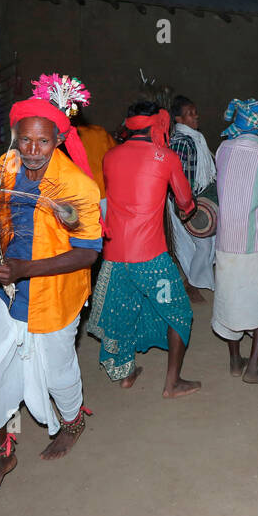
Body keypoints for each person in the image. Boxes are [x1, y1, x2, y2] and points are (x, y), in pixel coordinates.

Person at [0, 74, 104, 497]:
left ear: (57, 138)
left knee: (59, 373)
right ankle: (1, 451)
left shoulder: (76, 186)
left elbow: (89, 252)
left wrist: (25, 269)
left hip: (54, 295)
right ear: (15, 139)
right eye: (25, 141)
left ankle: (73, 422)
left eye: (43, 141)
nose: (33, 151)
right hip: (10, 291)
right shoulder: (8, 166)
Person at [87, 101, 200, 399]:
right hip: (151, 259)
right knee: (179, 312)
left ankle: (125, 375)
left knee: (124, 312)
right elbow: (185, 201)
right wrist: (189, 210)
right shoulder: (166, 157)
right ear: (157, 125)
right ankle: (172, 383)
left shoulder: (110, 156)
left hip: (112, 256)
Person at [212, 98, 258, 383]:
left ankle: (234, 360)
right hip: (254, 242)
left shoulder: (223, 148)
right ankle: (253, 367)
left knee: (229, 297)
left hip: (225, 239)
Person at [165, 95, 217, 300]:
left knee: (207, 240)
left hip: (196, 198)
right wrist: (184, 204)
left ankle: (198, 278)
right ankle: (193, 282)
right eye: (190, 113)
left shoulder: (196, 138)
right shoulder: (181, 142)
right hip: (183, 201)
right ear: (178, 119)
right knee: (199, 244)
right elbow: (177, 177)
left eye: (195, 112)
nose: (196, 116)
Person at [72, 110, 118, 198]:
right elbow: (116, 155)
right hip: (107, 187)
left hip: (83, 191)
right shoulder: (99, 131)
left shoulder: (64, 138)